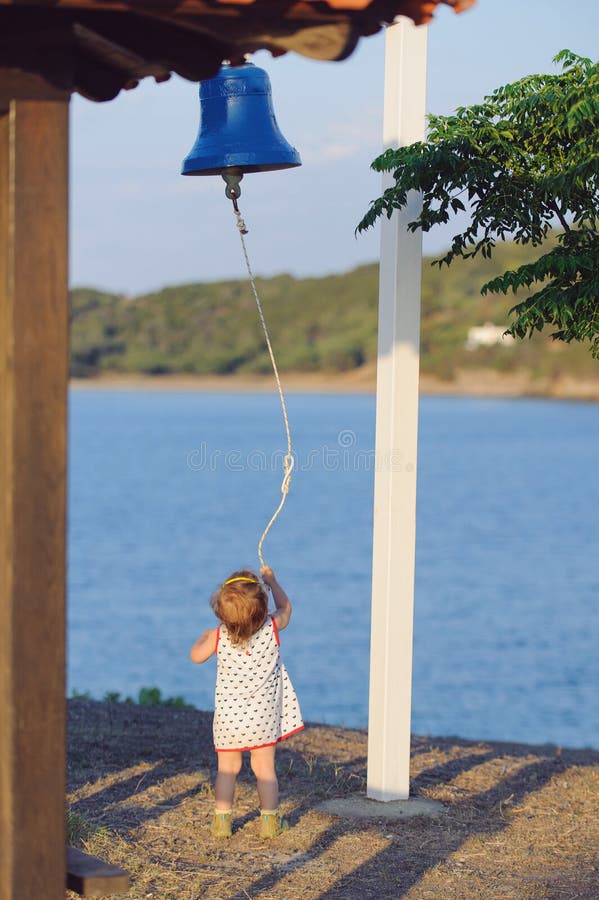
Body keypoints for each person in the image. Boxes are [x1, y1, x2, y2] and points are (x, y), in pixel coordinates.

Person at [190, 565, 303, 839]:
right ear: (262, 609)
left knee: (227, 770)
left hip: (229, 719)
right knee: (264, 770)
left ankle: (221, 823)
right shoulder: (271, 628)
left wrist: (206, 636)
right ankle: (269, 823)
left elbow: (195, 656)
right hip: (262, 719)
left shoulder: (219, 636)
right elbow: (286, 609)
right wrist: (273, 582)